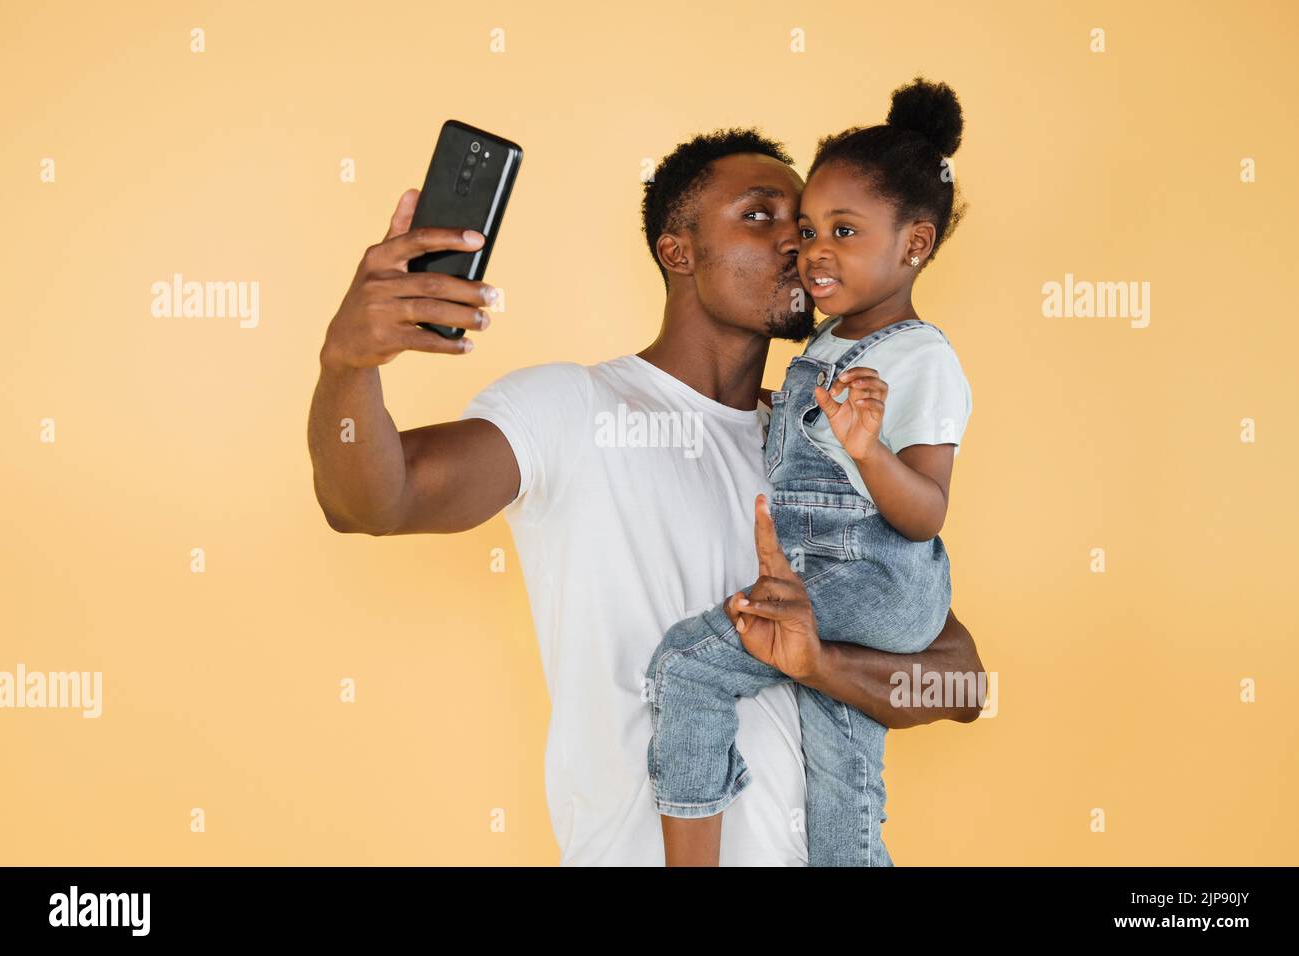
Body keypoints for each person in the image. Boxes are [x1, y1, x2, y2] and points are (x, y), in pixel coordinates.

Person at [306, 121, 987, 866]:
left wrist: (817, 662)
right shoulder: (575, 408)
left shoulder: (826, 439)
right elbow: (375, 502)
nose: (800, 243)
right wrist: (347, 367)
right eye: (760, 216)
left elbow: (959, 687)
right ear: (678, 251)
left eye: (807, 223)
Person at [647, 77, 974, 866]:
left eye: (845, 231)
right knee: (842, 765)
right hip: (839, 579)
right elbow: (810, 432)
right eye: (807, 228)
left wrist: (868, 450)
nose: (812, 250)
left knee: (687, 671)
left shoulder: (922, 356)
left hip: (874, 578)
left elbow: (927, 513)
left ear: (915, 245)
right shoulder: (830, 341)